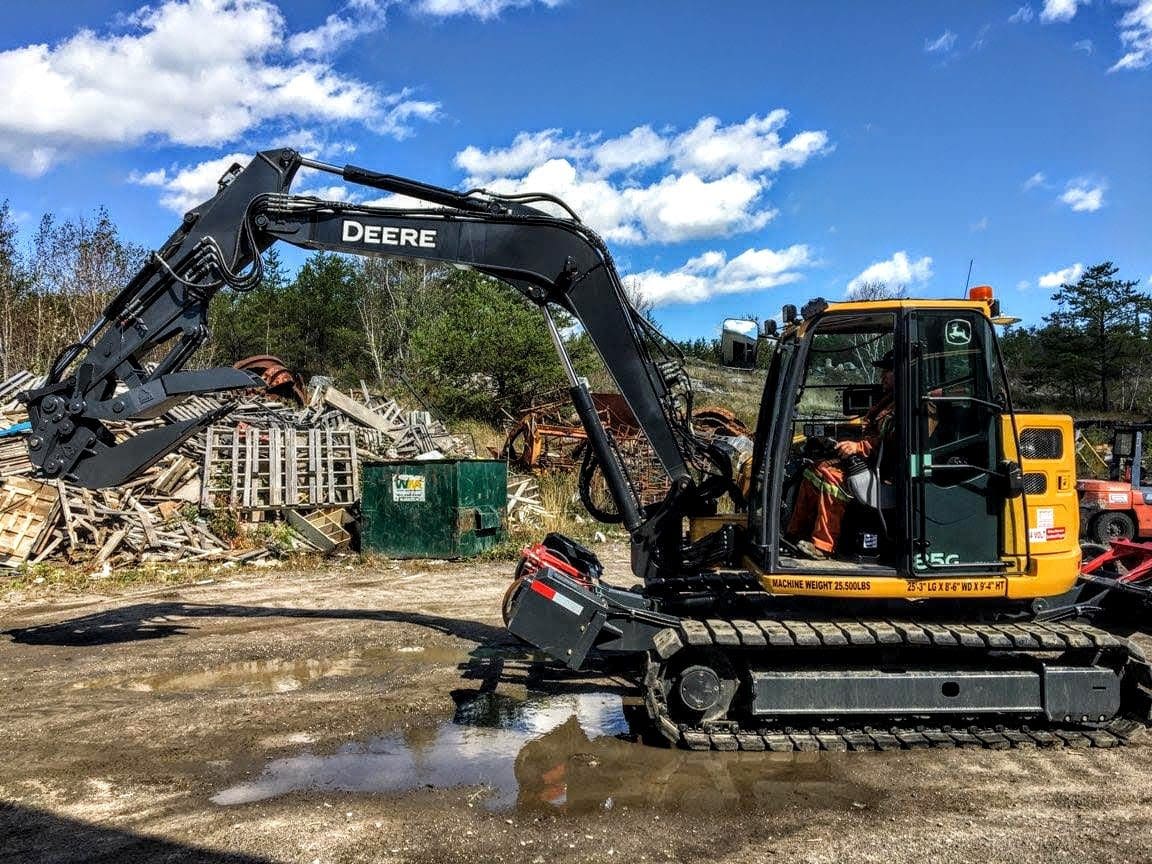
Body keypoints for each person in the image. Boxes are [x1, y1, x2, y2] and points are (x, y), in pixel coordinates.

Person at [787, 349, 896, 560]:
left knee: (832, 479)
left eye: (888, 371)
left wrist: (858, 447)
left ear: (902, 372)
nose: (882, 376)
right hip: (874, 462)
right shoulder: (887, 401)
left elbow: (895, 443)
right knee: (814, 471)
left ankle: (824, 546)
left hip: (888, 473)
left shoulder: (906, 407)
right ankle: (795, 533)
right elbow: (867, 427)